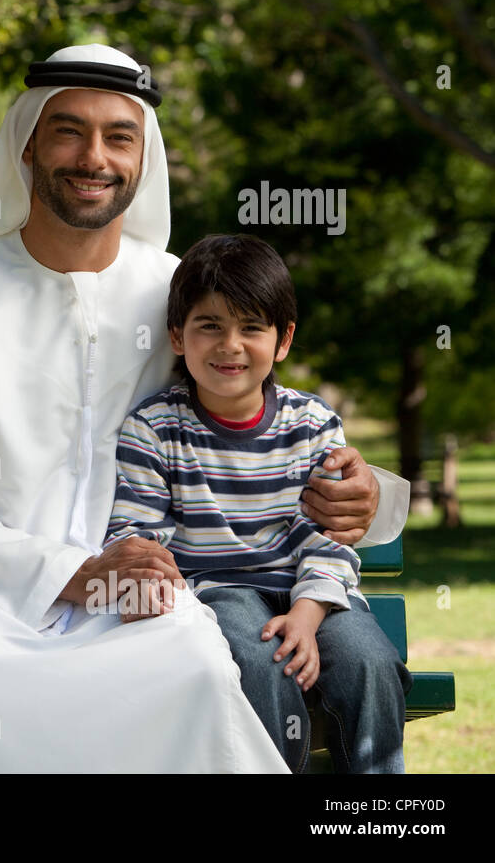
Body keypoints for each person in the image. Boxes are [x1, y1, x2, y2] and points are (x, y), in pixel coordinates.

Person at [0, 43, 409, 772]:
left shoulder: (180, 297)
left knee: (197, 673)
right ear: (29, 144)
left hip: (143, 598)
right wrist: (68, 572)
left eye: (118, 135)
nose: (92, 156)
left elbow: (265, 421)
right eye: (68, 130)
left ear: (143, 156)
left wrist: (367, 496)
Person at [104, 233, 411, 772]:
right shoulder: (152, 429)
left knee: (371, 661)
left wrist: (308, 612)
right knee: (258, 659)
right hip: (216, 592)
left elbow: (329, 537)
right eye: (209, 326)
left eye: (251, 327)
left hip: (314, 593)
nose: (231, 345)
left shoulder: (313, 426)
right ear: (177, 335)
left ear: (283, 339)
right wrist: (142, 581)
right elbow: (136, 535)